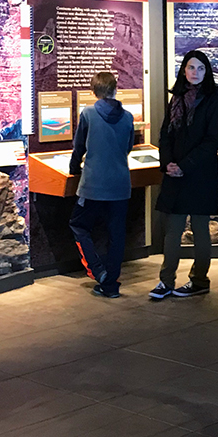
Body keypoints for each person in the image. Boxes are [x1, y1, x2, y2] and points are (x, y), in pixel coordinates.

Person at [151, 50, 218, 300]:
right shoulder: (177, 98)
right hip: (175, 173)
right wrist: (168, 163)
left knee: (200, 228)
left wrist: (185, 165)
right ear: (184, 70)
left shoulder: (215, 99)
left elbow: (212, 140)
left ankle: (199, 280)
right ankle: (166, 281)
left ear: (207, 71)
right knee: (172, 229)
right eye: (191, 67)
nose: (195, 73)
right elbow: (165, 134)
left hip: (200, 174)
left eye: (200, 68)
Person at [69, 71, 135, 299]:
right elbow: (128, 148)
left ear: (94, 91)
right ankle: (111, 284)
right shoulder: (128, 117)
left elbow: (79, 147)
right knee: (116, 234)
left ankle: (98, 272)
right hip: (120, 185)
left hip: (93, 185)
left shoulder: (88, 113)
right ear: (115, 89)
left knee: (78, 224)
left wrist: (74, 168)